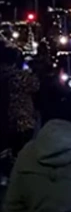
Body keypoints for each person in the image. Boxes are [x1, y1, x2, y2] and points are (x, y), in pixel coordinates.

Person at [0, 44, 39, 186]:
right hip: (22, 122)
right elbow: (36, 84)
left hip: (4, 122)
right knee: (22, 154)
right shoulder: (20, 77)